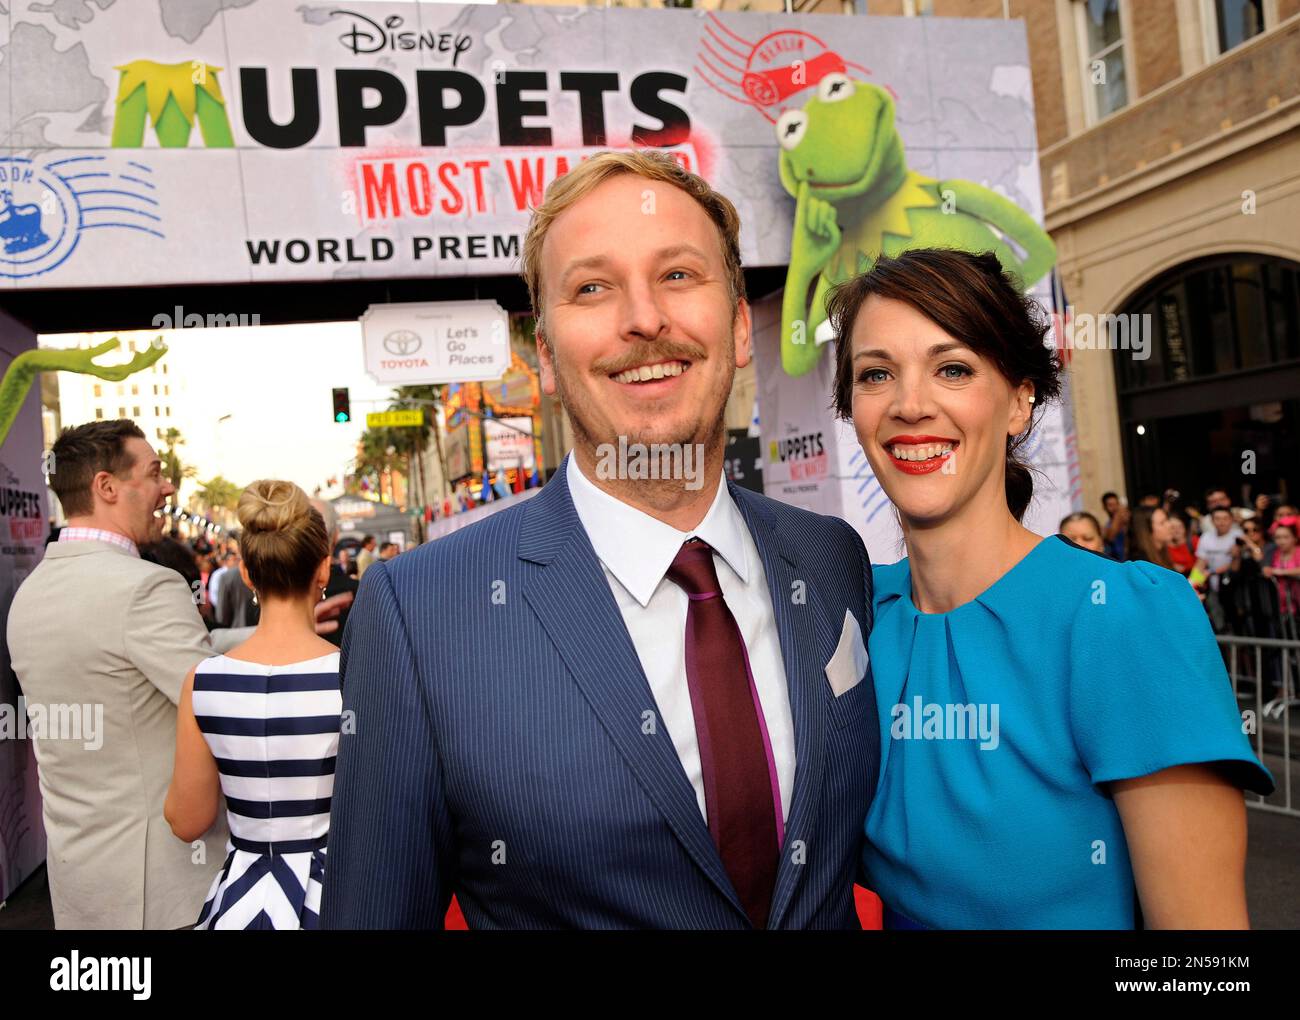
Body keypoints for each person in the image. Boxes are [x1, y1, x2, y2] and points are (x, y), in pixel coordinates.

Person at [322, 150, 878, 930]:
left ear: (741, 326)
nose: (645, 319)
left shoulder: (830, 560)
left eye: (680, 275)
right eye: (592, 288)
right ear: (546, 357)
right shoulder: (418, 617)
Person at [829, 248, 1271, 929]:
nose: (908, 404)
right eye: (876, 373)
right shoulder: (854, 615)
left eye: (952, 368)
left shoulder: (1119, 618)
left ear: (1019, 401)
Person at [7, 420, 226, 927]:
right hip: (165, 893)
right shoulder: (145, 588)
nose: (167, 487)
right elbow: (221, 702)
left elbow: (126, 669)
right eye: (153, 474)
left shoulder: (32, 593)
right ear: (107, 487)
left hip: (83, 889)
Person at [166, 480, 341, 929]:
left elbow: (187, 821)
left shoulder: (203, 682)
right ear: (323, 569)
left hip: (239, 900)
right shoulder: (357, 676)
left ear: (247, 573)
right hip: (337, 895)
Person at [1125, 505, 1174, 571]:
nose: (1170, 525)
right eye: (1162, 523)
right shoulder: (1141, 564)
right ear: (1147, 531)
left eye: (1167, 519)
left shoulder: (1162, 552)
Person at [1100, 491, 1128, 561]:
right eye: (1111, 505)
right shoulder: (1106, 526)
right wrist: (1118, 515)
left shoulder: (1127, 520)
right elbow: (1110, 537)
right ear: (1104, 507)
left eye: (1116, 504)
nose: (1115, 508)